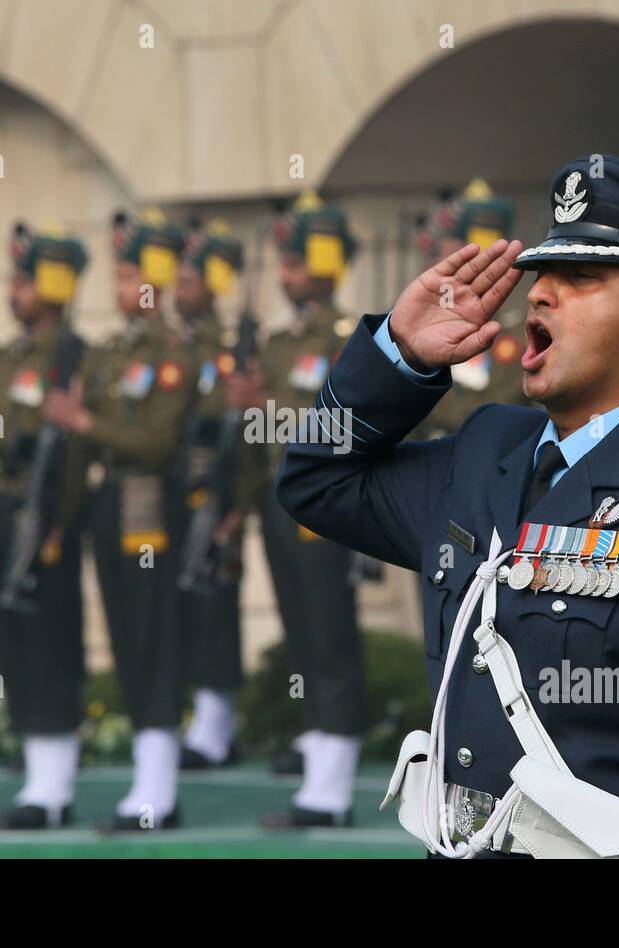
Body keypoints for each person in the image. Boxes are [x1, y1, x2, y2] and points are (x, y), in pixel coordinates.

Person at [277, 155, 619, 858]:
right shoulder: (485, 451)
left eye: (581, 278)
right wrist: (400, 356)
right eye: (540, 275)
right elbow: (317, 483)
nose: (539, 296)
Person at [44, 209, 194, 831]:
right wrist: (61, 519)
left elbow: (156, 442)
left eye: (130, 272)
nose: (118, 285)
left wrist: (84, 423)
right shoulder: (108, 353)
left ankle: (159, 790)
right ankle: (144, 781)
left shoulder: (172, 354)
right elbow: (83, 448)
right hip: (110, 507)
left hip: (149, 509)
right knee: (126, 642)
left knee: (151, 640)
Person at [228, 191, 367, 828]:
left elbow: (342, 426)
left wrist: (265, 408)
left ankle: (331, 793)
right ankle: (318, 764)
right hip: (279, 506)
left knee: (330, 636)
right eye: (282, 264)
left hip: (328, 508)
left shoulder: (349, 339)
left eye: (295, 262)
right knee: (303, 635)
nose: (286, 277)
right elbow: (263, 437)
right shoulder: (280, 345)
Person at [0, 225, 89, 829]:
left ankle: (52, 789)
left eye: (25, 281)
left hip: (42, 515)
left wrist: (63, 520)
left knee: (47, 644)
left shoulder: (71, 357)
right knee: (13, 642)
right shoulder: (4, 359)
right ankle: (38, 776)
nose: (15, 292)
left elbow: (50, 442)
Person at [172, 221, 247, 770]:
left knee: (214, 603)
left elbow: (238, 430)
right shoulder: (180, 346)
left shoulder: (225, 349)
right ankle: (203, 713)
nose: (178, 287)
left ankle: (217, 722)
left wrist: (238, 504)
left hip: (218, 489)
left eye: (189, 278)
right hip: (183, 487)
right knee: (190, 603)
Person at [414, 180, 529, 438]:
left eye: (444, 244)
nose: (435, 257)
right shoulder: (412, 326)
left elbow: (493, 415)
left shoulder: (515, 335)